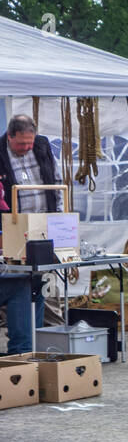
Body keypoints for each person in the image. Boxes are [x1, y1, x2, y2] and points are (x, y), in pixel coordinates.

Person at [1, 115, 60, 352]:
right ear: (10, 136)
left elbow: (56, 180)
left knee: (37, 281)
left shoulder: (43, 146)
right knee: (21, 283)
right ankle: (24, 348)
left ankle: (33, 343)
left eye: (29, 143)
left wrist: (60, 216)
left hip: (44, 225)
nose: (26, 148)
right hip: (13, 228)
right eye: (21, 144)